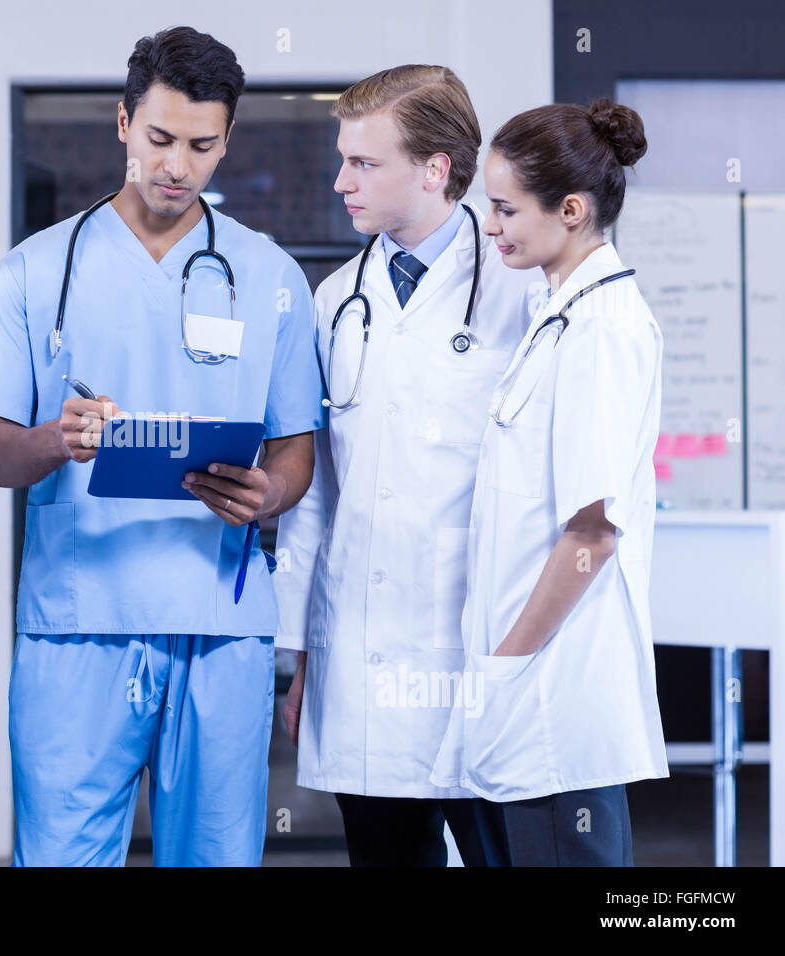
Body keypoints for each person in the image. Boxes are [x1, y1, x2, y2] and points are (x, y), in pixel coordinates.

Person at [0, 26, 323, 867]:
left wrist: (267, 494)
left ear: (227, 140)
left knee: (217, 857)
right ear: (123, 123)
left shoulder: (268, 276)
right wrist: (57, 439)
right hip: (77, 623)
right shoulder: (34, 271)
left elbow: (298, 449)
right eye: (159, 139)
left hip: (220, 619)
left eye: (202, 146)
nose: (177, 165)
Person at [274, 65, 539, 866]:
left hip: (474, 643)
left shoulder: (520, 286)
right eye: (342, 159)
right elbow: (319, 489)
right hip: (358, 646)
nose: (340, 180)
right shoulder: (336, 299)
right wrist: (302, 654)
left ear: (435, 170)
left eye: (364, 163)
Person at [429, 99, 668, 866]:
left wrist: (507, 663)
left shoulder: (605, 329)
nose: (490, 227)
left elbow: (593, 531)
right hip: (523, 690)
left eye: (504, 209)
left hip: (552, 694)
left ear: (571, 209)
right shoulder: (559, 314)